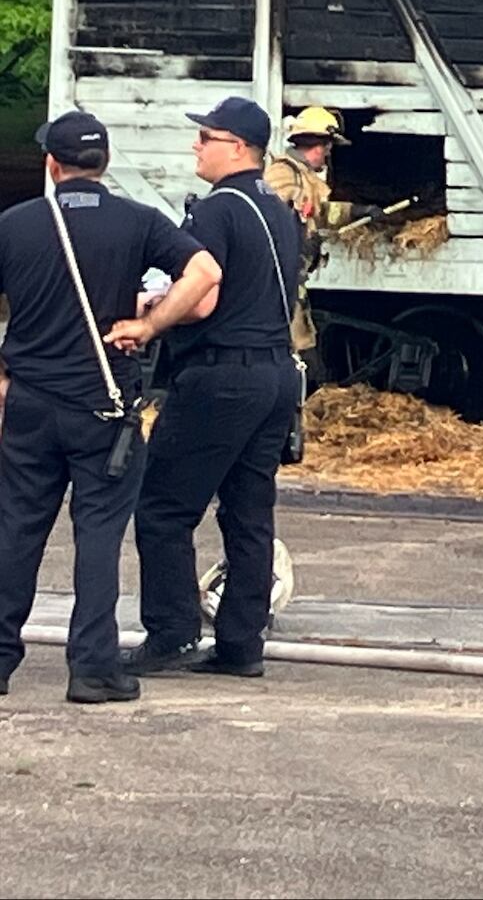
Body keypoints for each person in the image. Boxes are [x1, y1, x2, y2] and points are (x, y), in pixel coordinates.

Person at [0, 111, 220, 703]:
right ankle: (92, 668)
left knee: (16, 528)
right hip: (104, 405)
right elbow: (205, 271)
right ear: (105, 164)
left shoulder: (16, 224)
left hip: (29, 402)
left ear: (52, 164)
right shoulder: (138, 221)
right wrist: (150, 326)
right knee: (98, 535)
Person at [124, 95, 306, 682]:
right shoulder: (279, 208)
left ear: (237, 147)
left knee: (162, 505)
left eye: (206, 137)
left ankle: (173, 634)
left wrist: (152, 314)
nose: (195, 146)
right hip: (276, 373)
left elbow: (203, 298)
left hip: (222, 374)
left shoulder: (215, 211)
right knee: (249, 511)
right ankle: (240, 643)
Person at [264, 105, 351, 364]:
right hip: (277, 286)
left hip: (293, 283)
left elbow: (320, 212)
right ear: (316, 144)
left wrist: (358, 211)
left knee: (300, 348)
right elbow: (269, 221)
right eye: (328, 147)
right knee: (288, 352)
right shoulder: (283, 173)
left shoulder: (303, 178)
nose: (327, 154)